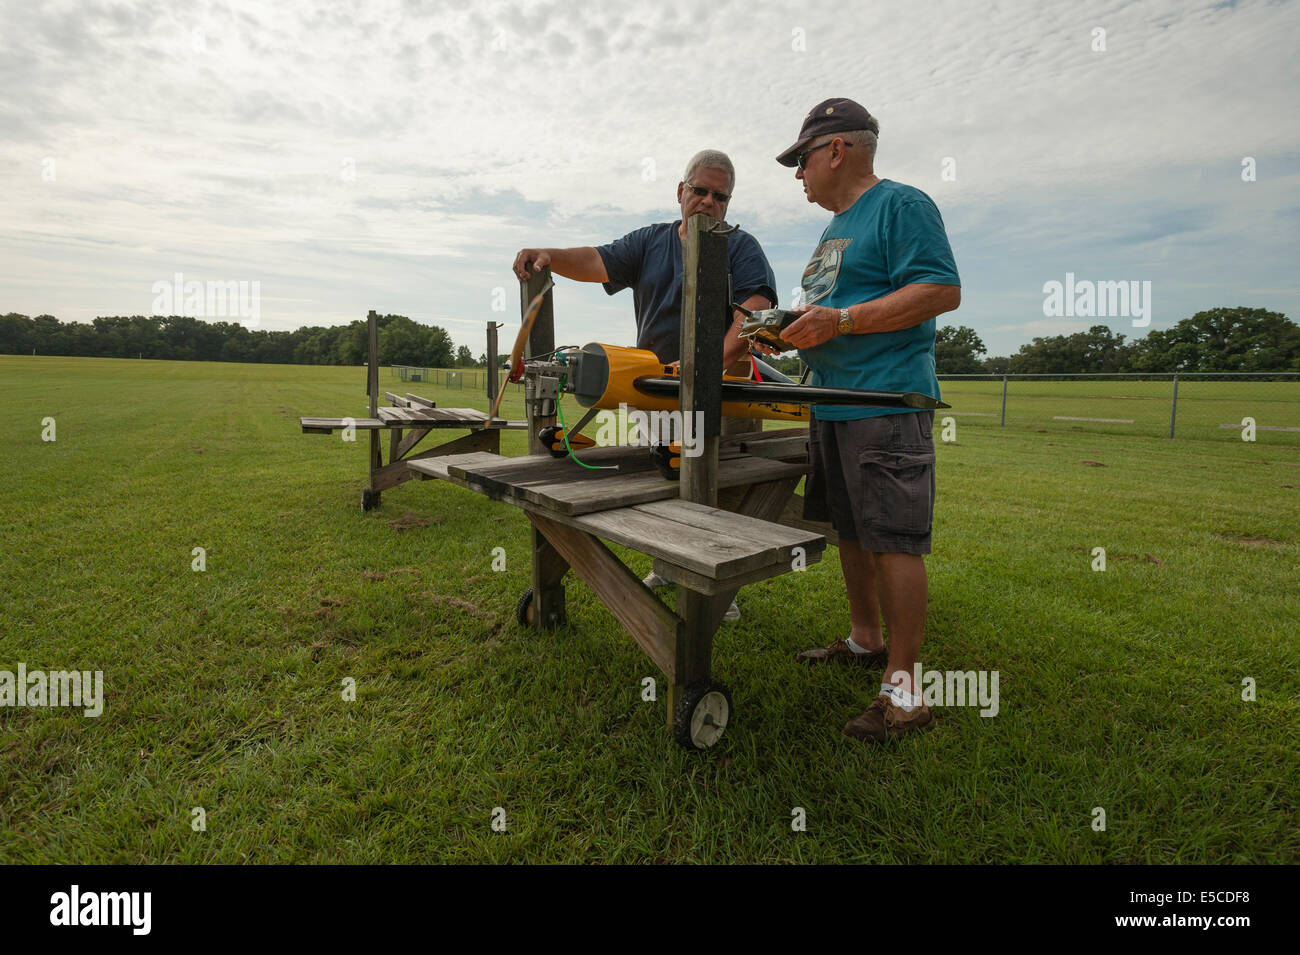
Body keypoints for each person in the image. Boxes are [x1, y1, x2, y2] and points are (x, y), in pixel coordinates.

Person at [513, 149, 779, 621]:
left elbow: (753, 312)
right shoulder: (650, 242)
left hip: (723, 392)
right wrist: (550, 256)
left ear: (728, 203)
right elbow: (598, 261)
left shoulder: (742, 247)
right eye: (699, 191)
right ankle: (668, 564)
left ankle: (720, 591)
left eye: (720, 196)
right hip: (653, 391)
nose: (708, 202)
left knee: (720, 491)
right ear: (681, 191)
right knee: (664, 482)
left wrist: (701, 367)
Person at [772, 97, 961, 741]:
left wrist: (843, 321)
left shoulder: (903, 205)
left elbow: (940, 289)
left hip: (883, 402)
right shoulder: (835, 229)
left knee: (893, 540)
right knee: (851, 531)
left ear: (836, 149)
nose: (798, 174)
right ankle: (864, 639)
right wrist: (792, 332)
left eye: (801, 160)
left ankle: (906, 695)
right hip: (833, 401)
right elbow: (828, 311)